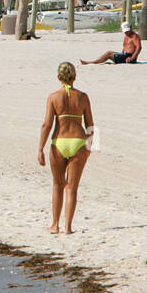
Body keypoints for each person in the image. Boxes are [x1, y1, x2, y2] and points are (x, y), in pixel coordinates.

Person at [38, 62, 93, 234]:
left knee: (57, 185)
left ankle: (55, 225)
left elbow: (47, 125)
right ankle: (68, 227)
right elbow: (90, 125)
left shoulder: (53, 97)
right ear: (75, 77)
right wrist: (90, 147)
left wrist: (40, 148)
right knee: (72, 187)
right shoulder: (83, 97)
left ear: (59, 78)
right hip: (78, 142)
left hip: (59, 142)